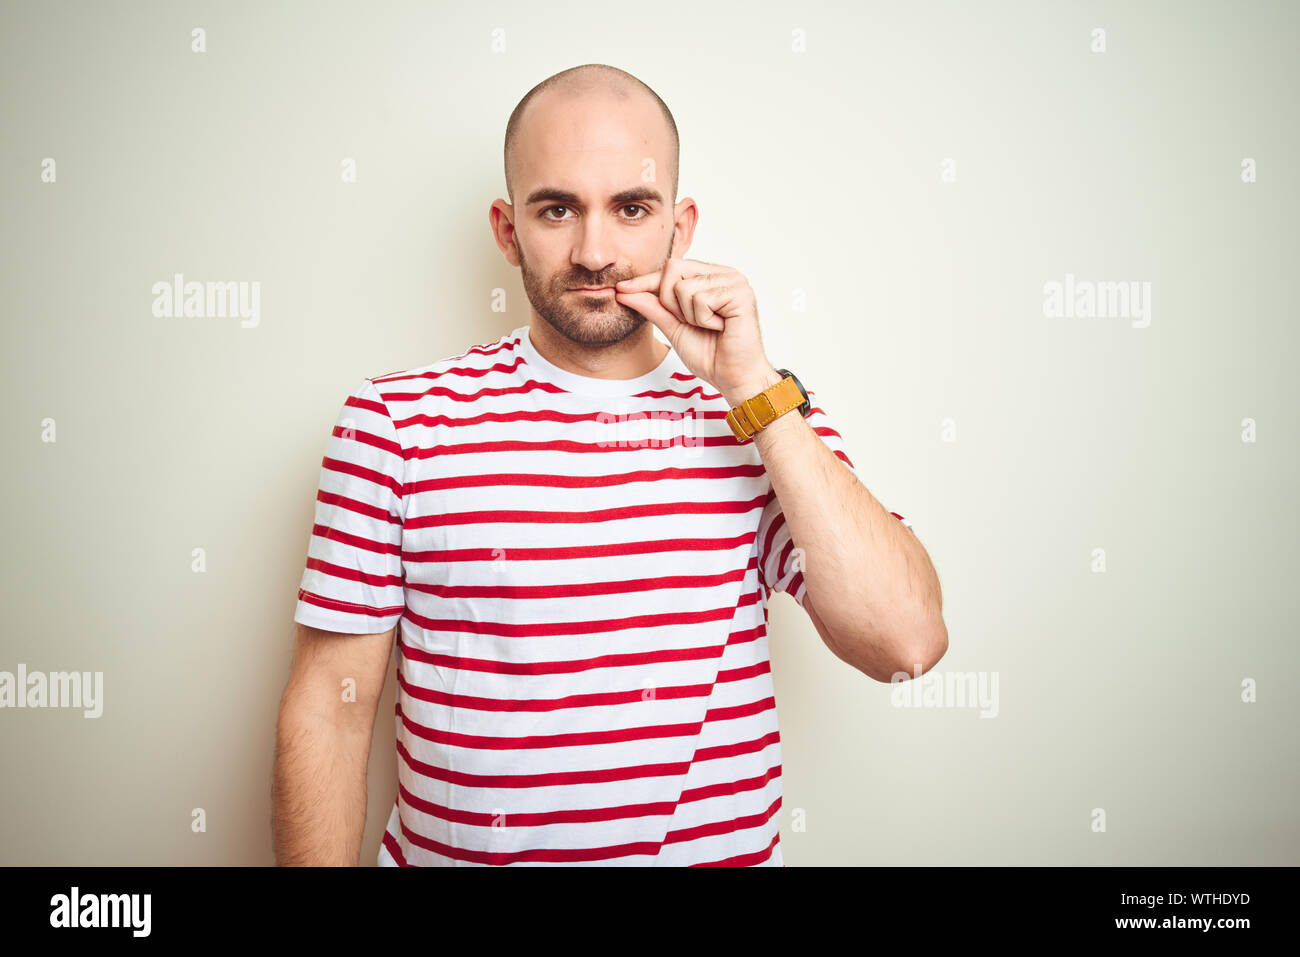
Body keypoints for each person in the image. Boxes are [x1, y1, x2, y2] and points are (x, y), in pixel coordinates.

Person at [273, 63, 947, 867]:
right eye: (557, 208)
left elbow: (905, 641)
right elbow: (329, 712)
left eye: (631, 208)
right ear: (507, 228)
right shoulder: (397, 422)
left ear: (680, 227)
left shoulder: (763, 417)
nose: (595, 252)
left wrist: (753, 386)